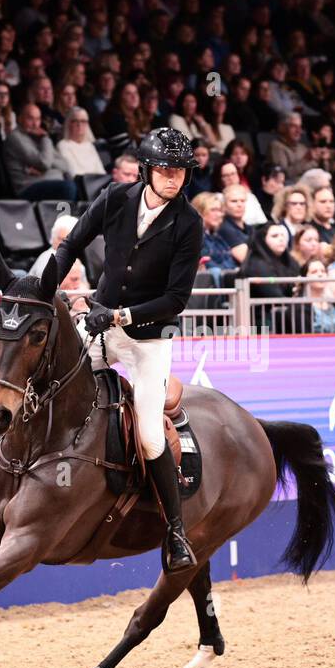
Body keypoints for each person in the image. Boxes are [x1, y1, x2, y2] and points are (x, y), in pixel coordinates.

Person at [52, 126, 205, 573]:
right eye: (165, 170)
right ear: (146, 170)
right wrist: (48, 285)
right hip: (100, 325)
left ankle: (175, 531)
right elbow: (72, 245)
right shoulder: (114, 198)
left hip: (147, 341)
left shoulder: (189, 224)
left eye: (180, 172)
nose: (173, 178)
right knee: (56, 383)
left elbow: (176, 299)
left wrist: (119, 316)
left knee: (149, 434)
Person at [3, 103, 76, 201]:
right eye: (30, 119)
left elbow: (65, 165)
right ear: (19, 119)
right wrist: (45, 138)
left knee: (80, 184)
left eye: (38, 119)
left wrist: (46, 165)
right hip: (29, 187)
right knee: (68, 187)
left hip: (52, 182)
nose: (35, 124)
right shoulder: (15, 138)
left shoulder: (38, 137)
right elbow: (44, 163)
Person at [300, 258, 335, 333]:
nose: (320, 275)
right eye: (314, 272)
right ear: (305, 278)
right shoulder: (300, 308)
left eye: (323, 271)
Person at [57, 107, 104, 177]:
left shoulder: (89, 145)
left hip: (97, 183)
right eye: (75, 121)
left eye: (83, 121)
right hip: (81, 183)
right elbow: (73, 172)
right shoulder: (63, 145)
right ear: (69, 124)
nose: (79, 125)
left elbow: (101, 171)